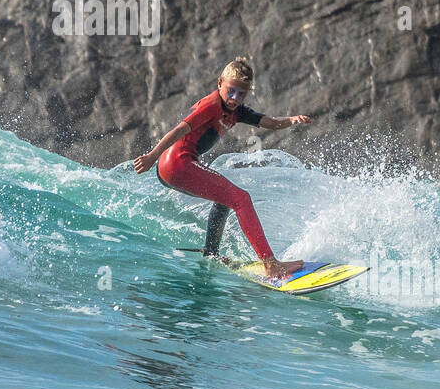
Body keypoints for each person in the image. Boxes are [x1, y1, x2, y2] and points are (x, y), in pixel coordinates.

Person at [133, 56, 311, 280]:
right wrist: (151, 156)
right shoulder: (211, 104)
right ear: (220, 84)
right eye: (231, 91)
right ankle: (271, 265)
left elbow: (273, 123)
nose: (235, 98)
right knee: (241, 199)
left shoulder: (239, 112)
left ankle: (211, 254)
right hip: (177, 163)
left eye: (241, 94)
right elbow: (178, 130)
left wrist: (293, 119)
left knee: (225, 200)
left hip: (178, 165)